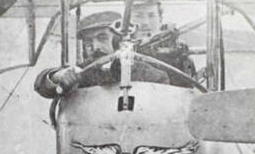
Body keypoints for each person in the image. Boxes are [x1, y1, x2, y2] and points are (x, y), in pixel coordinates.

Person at [33, 8, 193, 99]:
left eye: (102, 37)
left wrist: (123, 67)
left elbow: (163, 93)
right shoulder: (85, 70)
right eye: (88, 42)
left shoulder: (144, 67)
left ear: (119, 39)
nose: (95, 46)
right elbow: (43, 86)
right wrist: (57, 76)